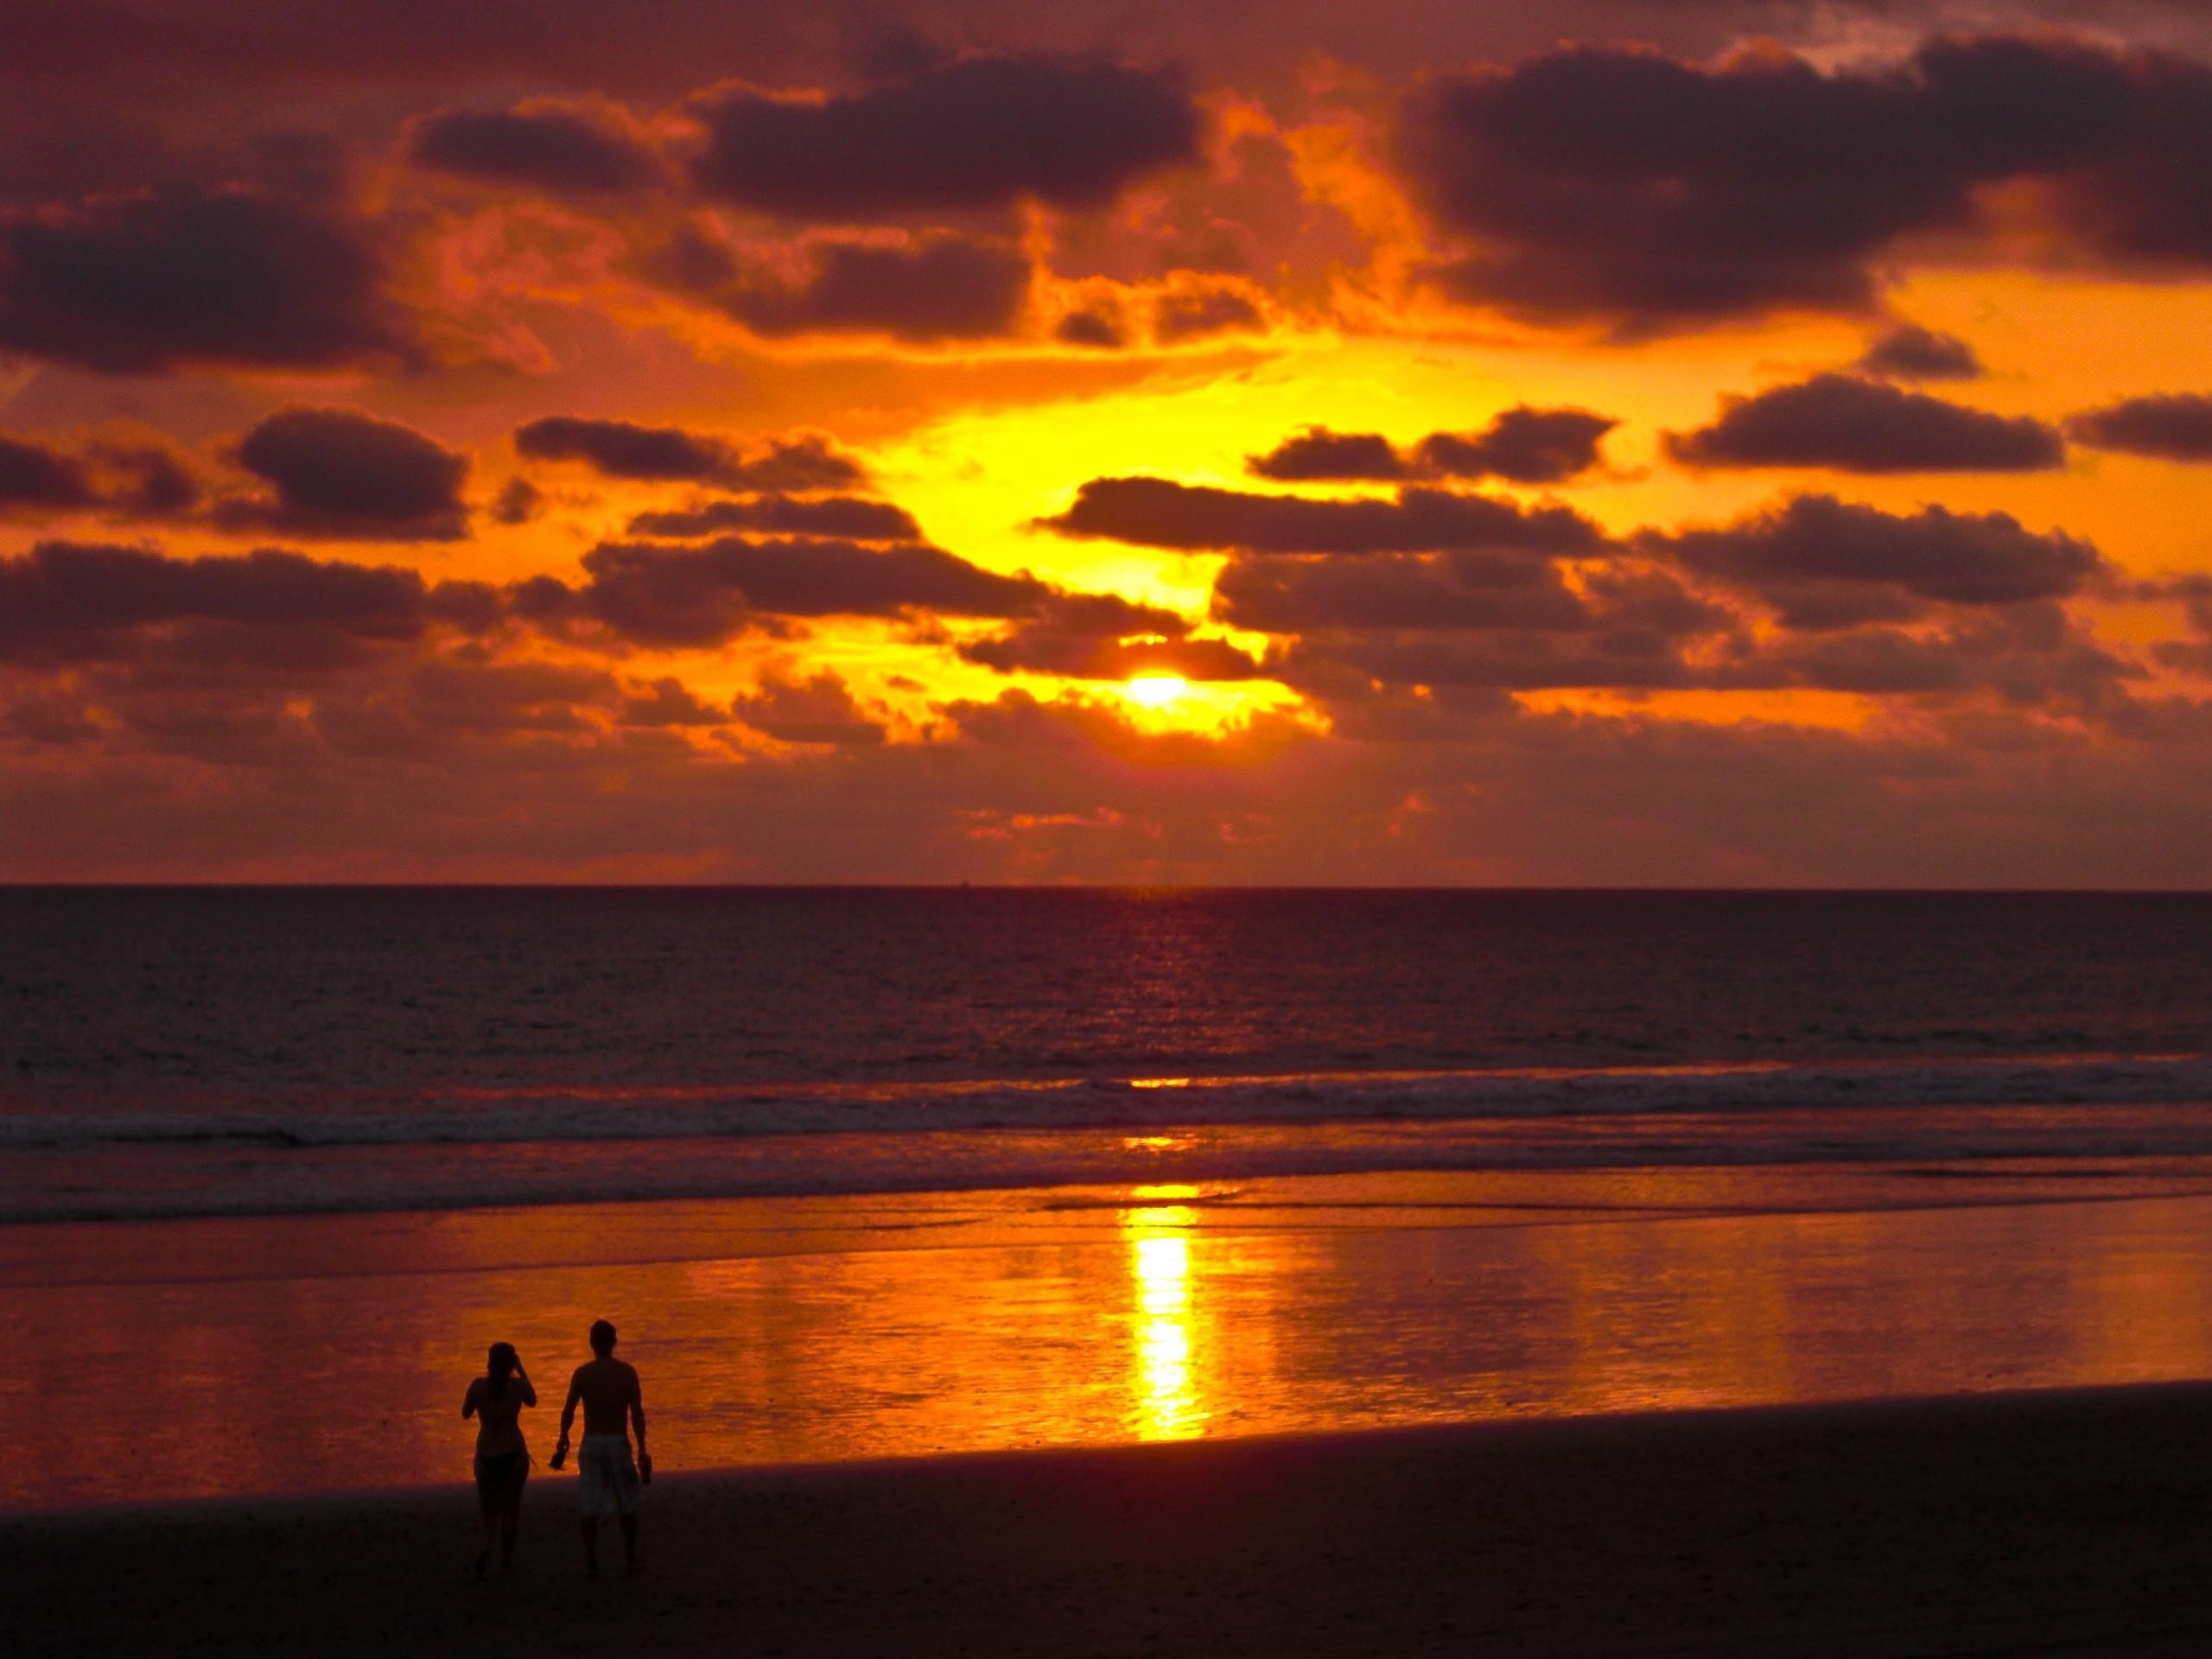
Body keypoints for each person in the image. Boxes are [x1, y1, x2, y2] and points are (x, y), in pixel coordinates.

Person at [554, 1319, 651, 1575]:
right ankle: (629, 1556)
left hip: (592, 1442)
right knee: (627, 1501)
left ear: (591, 1343)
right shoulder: (627, 1372)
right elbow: (637, 1414)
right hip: (617, 1441)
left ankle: (591, 1560)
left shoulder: (583, 1373)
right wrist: (642, 1447)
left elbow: (569, 1410)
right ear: (614, 1342)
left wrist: (563, 1437)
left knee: (589, 1502)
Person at [460, 1341, 536, 1575]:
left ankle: (486, 1547)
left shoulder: (478, 1387)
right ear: (510, 1363)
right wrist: (521, 1369)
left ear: (489, 1362)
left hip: (486, 1457)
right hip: (513, 1455)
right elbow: (533, 1400)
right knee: (511, 1510)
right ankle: (506, 1561)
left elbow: (465, 1413)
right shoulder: (517, 1387)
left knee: (488, 1512)